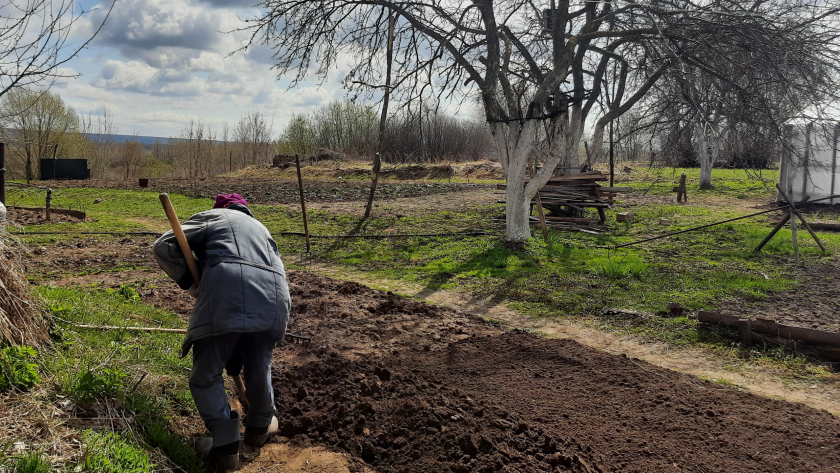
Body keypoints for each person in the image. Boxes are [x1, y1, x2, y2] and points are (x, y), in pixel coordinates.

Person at [153, 193, 291, 472]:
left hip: (228, 292)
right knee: (258, 365)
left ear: (222, 208)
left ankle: (226, 446)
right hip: (276, 300)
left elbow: (164, 245)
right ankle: (261, 426)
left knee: (206, 375)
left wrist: (192, 282)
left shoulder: (215, 217)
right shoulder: (263, 230)